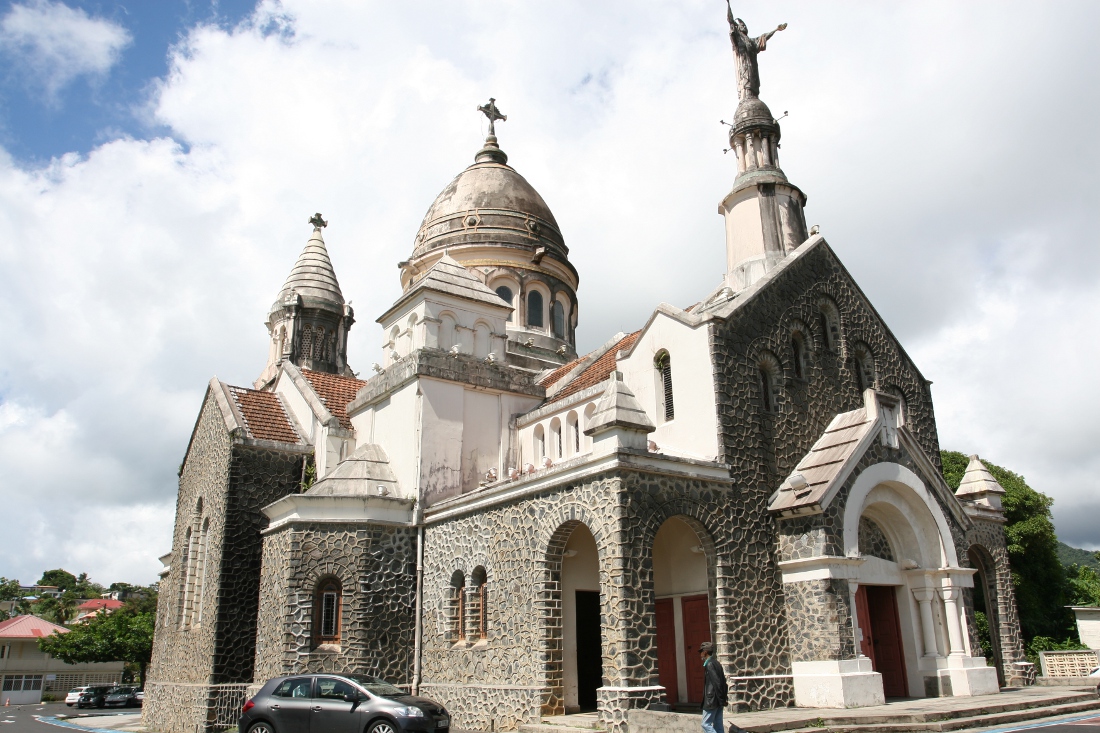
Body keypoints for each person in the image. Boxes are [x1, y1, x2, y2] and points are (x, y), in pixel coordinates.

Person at [699, 641, 728, 733]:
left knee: (705, 724)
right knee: (718, 724)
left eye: (701, 652)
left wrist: (721, 699)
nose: (700, 654)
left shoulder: (710, 664)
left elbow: (717, 683)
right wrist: (723, 698)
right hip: (718, 700)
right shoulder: (717, 663)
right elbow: (723, 682)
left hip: (712, 700)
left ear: (705, 652)